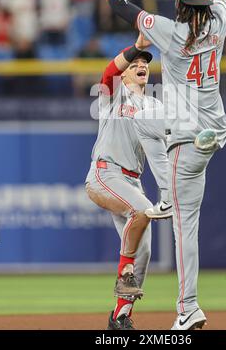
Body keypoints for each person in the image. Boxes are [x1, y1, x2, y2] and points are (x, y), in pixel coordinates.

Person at [90, 0, 226, 330]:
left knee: (182, 226)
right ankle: (212, 139)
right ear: (205, 4)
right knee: (181, 189)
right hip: (213, 125)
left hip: (186, 139)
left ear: (177, 4)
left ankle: (187, 308)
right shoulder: (221, 22)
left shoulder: (169, 31)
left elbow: (119, 4)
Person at [85, 44, 158, 330]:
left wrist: (215, 130)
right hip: (105, 174)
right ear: (125, 74)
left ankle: (120, 316)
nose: (141, 65)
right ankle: (124, 272)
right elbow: (108, 72)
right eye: (134, 63)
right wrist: (136, 47)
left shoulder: (153, 106)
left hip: (132, 181)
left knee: (145, 250)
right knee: (142, 210)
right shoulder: (113, 95)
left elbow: (179, 133)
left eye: (145, 63)